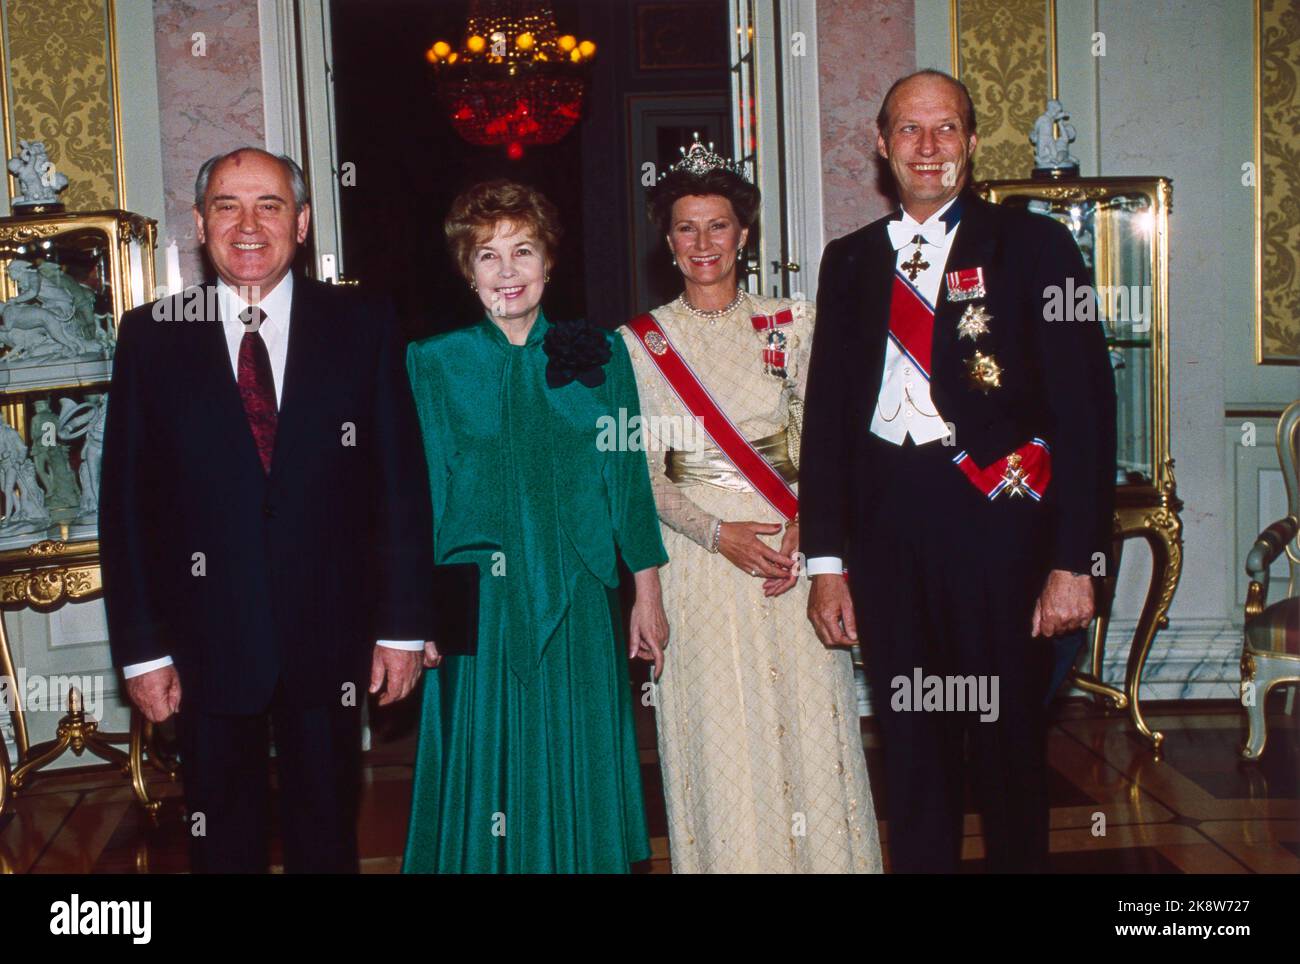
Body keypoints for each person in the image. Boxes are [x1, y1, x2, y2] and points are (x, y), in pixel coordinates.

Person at [800, 70, 1117, 873]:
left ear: (973, 144)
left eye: (947, 130)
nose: (929, 147)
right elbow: (828, 419)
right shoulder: (848, 262)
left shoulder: (1035, 245)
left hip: (998, 528)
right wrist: (828, 562)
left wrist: (1071, 561)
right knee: (910, 749)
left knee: (1008, 747)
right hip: (887, 536)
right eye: (911, 130)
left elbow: (1085, 412)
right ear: (882, 145)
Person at [100, 147, 435, 873]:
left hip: (332, 637)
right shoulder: (152, 335)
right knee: (221, 843)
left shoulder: (363, 322)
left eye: (270, 206)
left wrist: (404, 627)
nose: (248, 225)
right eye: (228, 206)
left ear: (303, 221)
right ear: (199, 223)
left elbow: (400, 486)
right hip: (203, 642)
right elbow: (125, 508)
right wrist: (142, 647)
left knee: (327, 838)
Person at [620, 138, 882, 873]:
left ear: (744, 234)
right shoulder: (638, 345)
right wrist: (714, 532)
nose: (704, 243)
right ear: (667, 241)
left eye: (719, 226)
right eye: (686, 228)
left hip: (795, 554)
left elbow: (830, 441)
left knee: (808, 728)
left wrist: (808, 526)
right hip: (699, 566)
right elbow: (636, 471)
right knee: (721, 734)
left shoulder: (794, 323)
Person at [403, 180, 669, 874]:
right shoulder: (432, 362)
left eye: (524, 251)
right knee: (489, 756)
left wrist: (647, 594)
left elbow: (627, 483)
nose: (509, 270)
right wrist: (418, 612)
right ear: (467, 271)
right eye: (488, 256)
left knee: (572, 751)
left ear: (550, 263)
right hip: (477, 599)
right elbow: (422, 493)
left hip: (580, 592)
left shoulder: (601, 356)